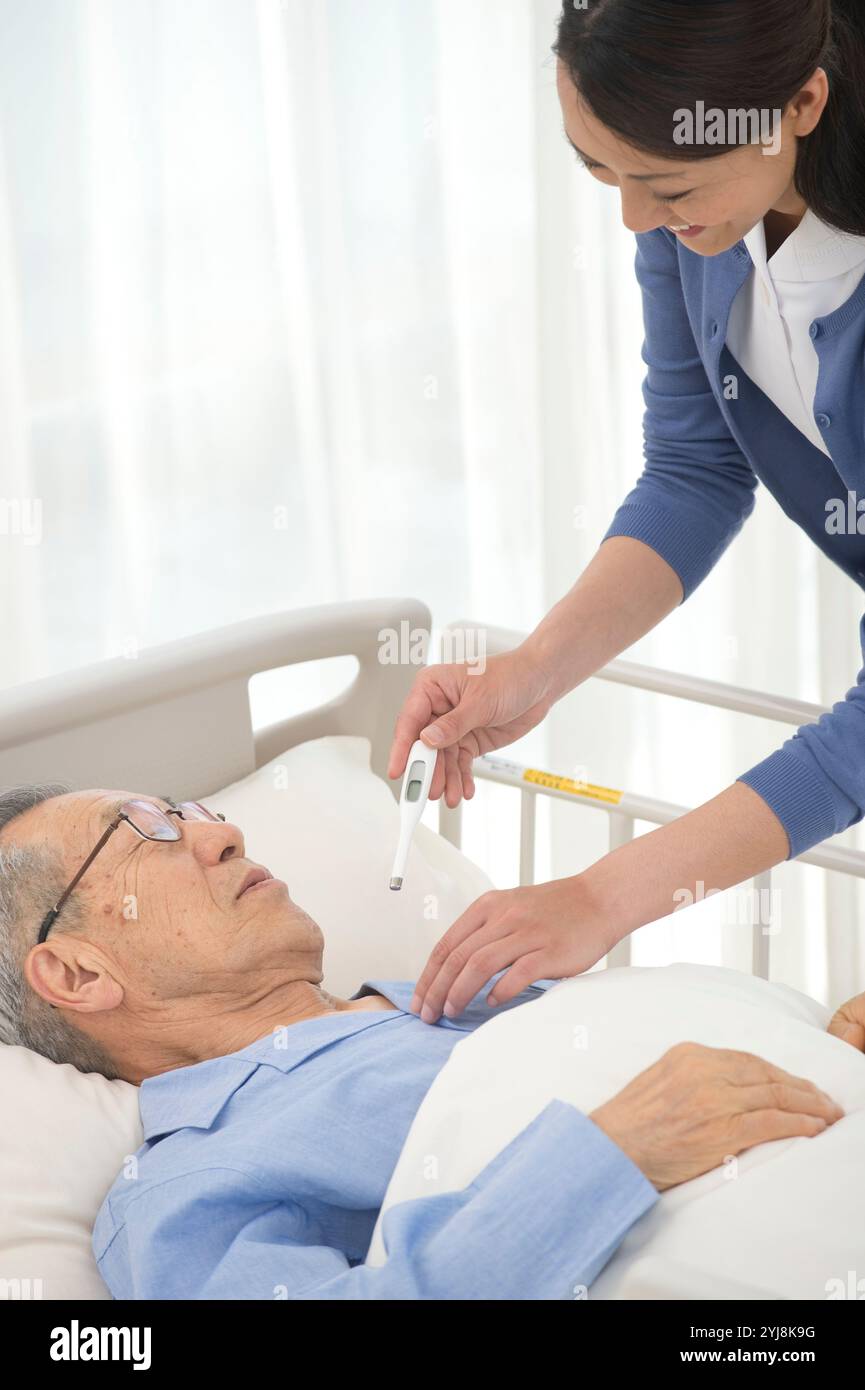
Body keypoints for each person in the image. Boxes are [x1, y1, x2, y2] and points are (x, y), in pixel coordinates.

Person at [389, 0, 865, 1025]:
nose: (635, 222)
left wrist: (602, 899)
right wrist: (532, 670)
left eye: (665, 184)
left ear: (802, 102)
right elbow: (696, 468)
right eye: (599, 170)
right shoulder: (706, 219)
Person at [0, 784, 856, 1299]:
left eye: (198, 811)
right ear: (75, 974)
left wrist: (822, 1048)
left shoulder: (473, 996)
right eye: (148, 828)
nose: (222, 834)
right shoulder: (183, 1185)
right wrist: (610, 1157)